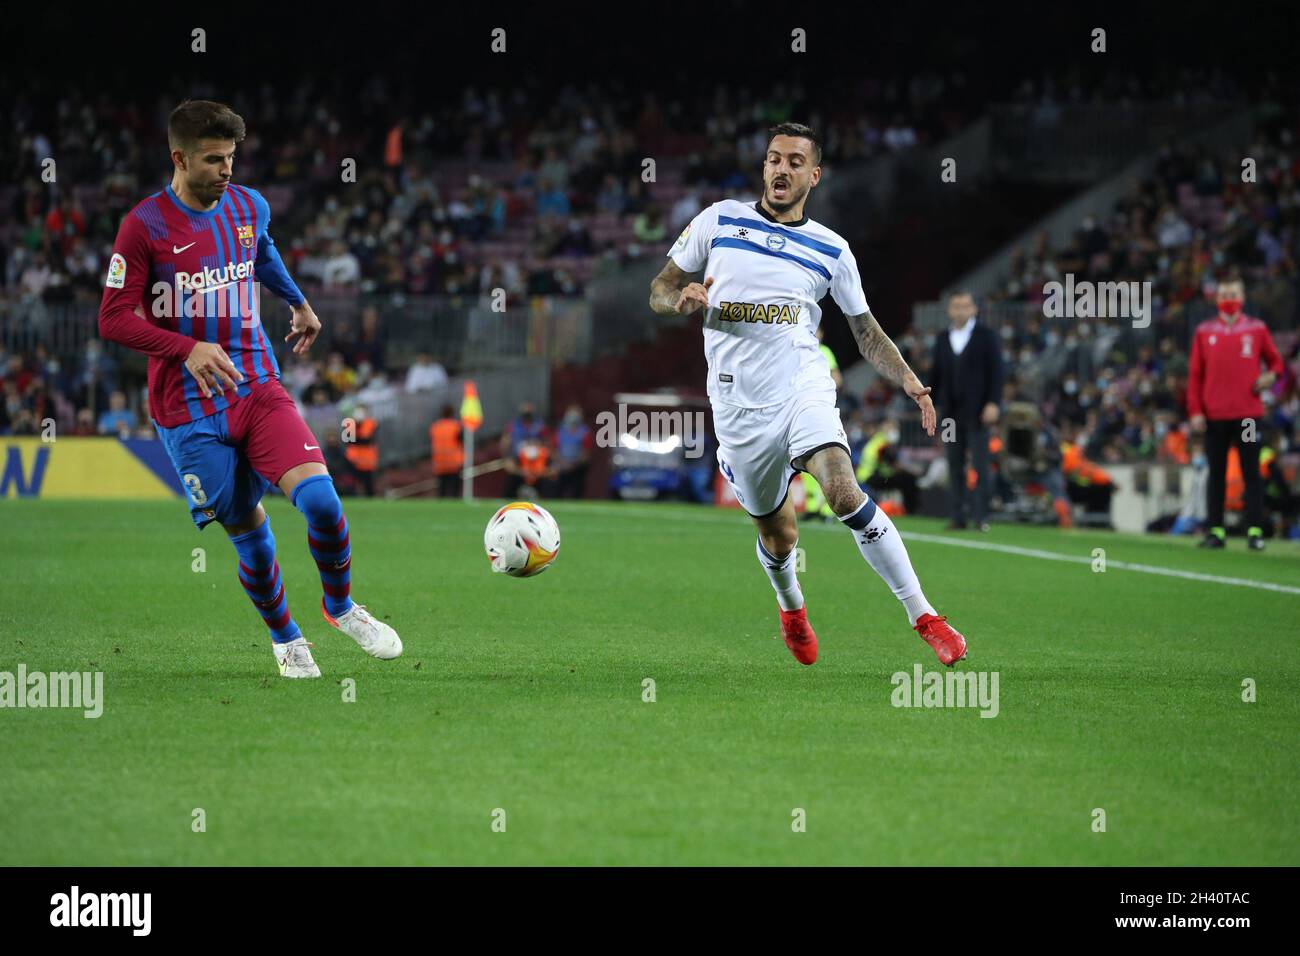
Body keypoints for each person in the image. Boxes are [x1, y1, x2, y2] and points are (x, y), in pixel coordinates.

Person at [97, 99, 401, 679]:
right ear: (179, 158)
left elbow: (259, 252)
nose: (227, 170)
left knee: (323, 504)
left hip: (255, 383)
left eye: (231, 157)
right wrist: (186, 349)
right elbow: (112, 318)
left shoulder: (248, 205)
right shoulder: (144, 226)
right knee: (251, 535)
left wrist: (299, 301)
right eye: (213, 160)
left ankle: (340, 607)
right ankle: (286, 636)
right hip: (186, 411)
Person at [649, 122, 967, 668]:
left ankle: (925, 617)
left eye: (795, 161)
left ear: (813, 175)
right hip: (738, 408)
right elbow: (658, 287)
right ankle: (791, 608)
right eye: (774, 158)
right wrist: (679, 297)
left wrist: (911, 381)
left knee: (843, 492)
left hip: (802, 387)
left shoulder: (832, 250)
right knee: (779, 536)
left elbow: (865, 331)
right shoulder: (718, 220)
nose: (781, 169)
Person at [1188, 276, 1284, 551]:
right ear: (1216, 299)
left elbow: (1277, 363)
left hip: (1247, 417)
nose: (1228, 299)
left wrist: (1270, 377)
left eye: (1233, 293)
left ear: (1242, 298)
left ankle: (1254, 531)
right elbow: (1195, 376)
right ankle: (1216, 531)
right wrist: (1196, 411)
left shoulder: (1256, 329)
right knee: (1216, 473)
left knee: (1251, 471)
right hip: (1215, 416)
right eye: (1224, 294)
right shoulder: (1204, 332)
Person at [929, 290, 1003, 531]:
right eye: (956, 306)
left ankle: (981, 517)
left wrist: (993, 402)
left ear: (973, 309)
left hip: (978, 412)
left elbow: (996, 372)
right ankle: (958, 515)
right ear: (950, 310)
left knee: (980, 464)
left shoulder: (986, 336)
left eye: (965, 306)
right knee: (954, 463)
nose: (960, 311)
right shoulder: (942, 338)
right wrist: (932, 405)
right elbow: (936, 376)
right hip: (950, 414)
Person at [553, 405, 592, 498]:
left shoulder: (584, 432)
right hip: (561, 466)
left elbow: (586, 452)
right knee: (557, 490)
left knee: (577, 491)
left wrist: (574, 464)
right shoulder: (560, 431)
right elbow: (554, 449)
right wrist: (562, 462)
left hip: (577, 467)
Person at [345, 404, 379, 498]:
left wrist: (358, 427)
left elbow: (367, 439)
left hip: (367, 459)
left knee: (369, 482)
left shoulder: (371, 423)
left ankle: (370, 498)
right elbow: (348, 440)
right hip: (353, 458)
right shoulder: (349, 423)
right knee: (353, 482)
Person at [430, 404, 464, 498]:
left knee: (442, 490)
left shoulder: (435, 427)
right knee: (455, 491)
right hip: (454, 463)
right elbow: (462, 441)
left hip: (440, 462)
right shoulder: (456, 426)